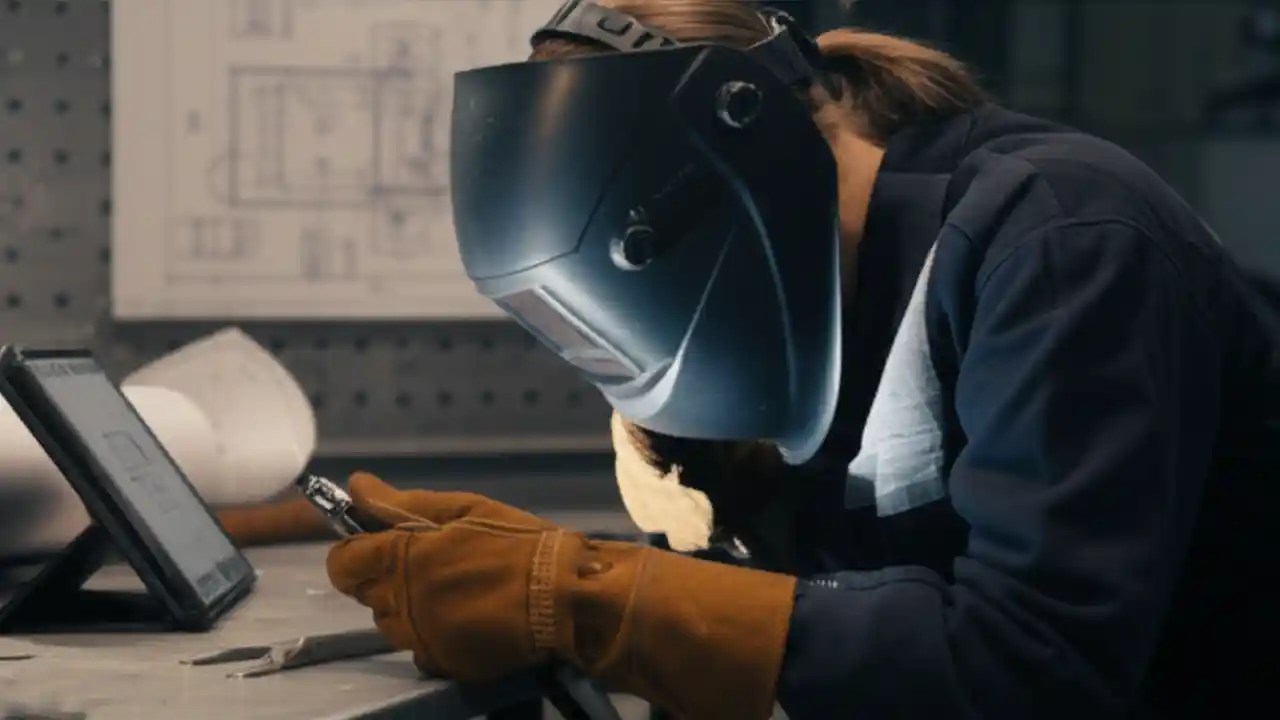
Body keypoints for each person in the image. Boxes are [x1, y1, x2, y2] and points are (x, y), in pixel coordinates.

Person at [324, 1, 1280, 718]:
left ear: (732, 179)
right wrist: (569, 561)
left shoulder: (1061, 244)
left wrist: (588, 598)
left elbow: (1032, 663)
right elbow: (858, 609)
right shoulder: (834, 306)